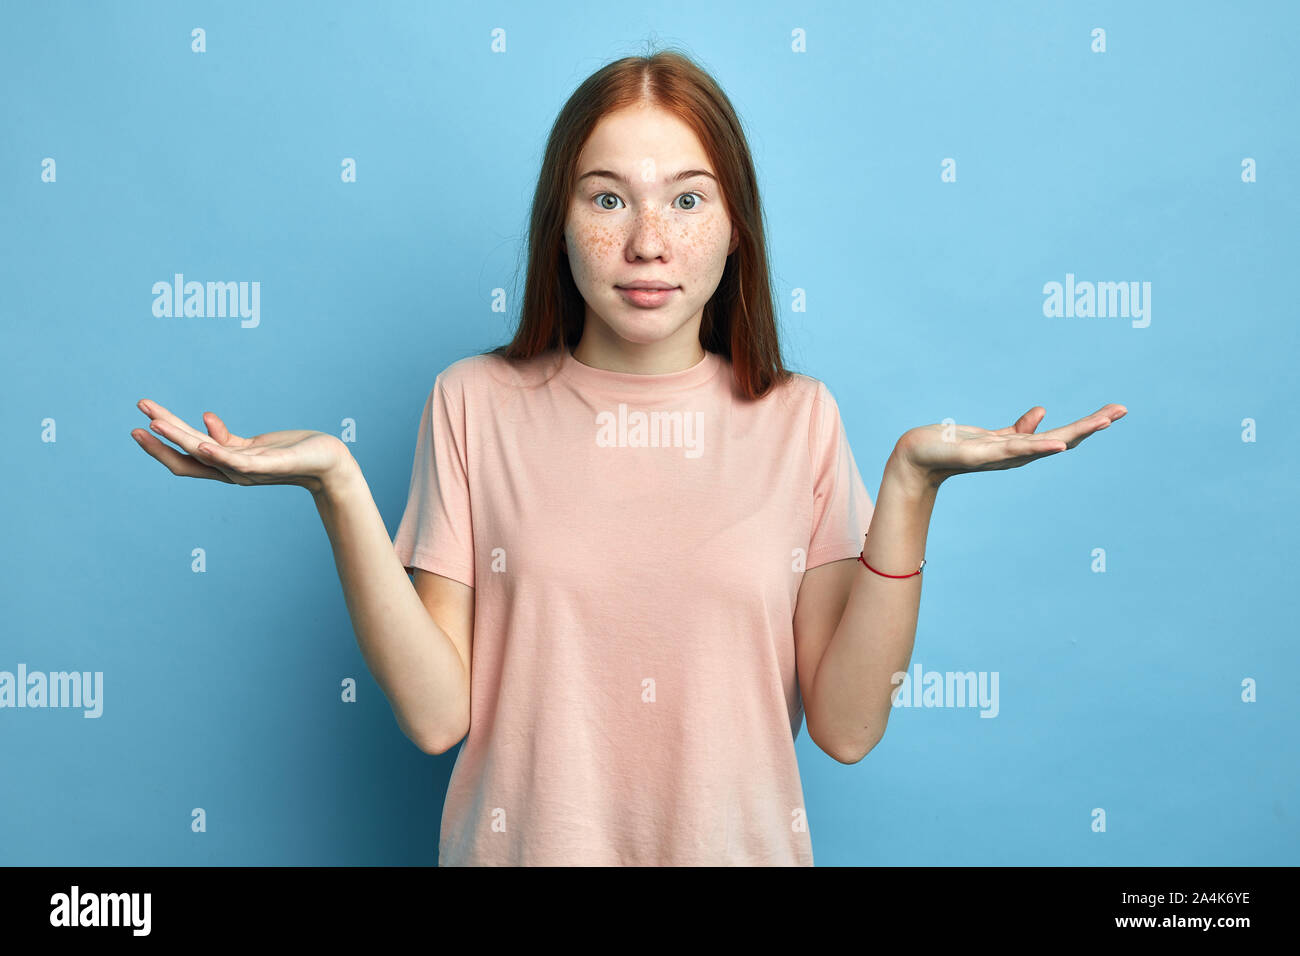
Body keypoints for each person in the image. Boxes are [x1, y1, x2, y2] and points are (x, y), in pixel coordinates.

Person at [130, 47, 1126, 866]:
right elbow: (437, 717)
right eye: (607, 200)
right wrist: (336, 486)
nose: (648, 240)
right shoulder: (473, 403)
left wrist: (910, 485)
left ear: (736, 229)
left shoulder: (799, 420)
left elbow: (848, 726)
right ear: (559, 225)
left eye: (688, 202)